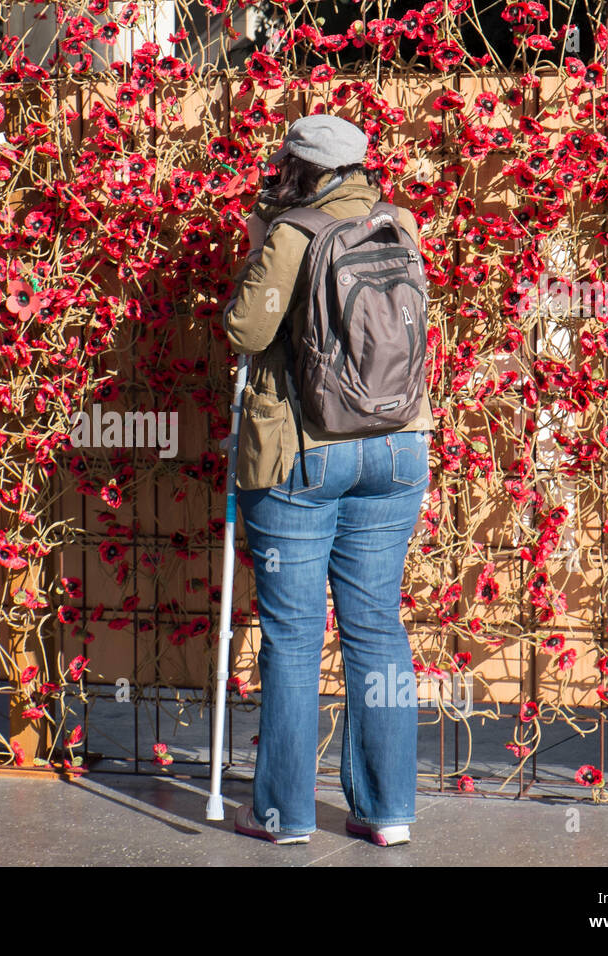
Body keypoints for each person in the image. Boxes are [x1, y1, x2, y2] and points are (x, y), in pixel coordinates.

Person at [221, 114, 434, 847]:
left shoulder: (293, 232)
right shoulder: (399, 223)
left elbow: (248, 331)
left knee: (293, 632)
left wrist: (259, 245)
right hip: (400, 445)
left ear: (298, 165)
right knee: (377, 626)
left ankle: (282, 814)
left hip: (305, 455)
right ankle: (388, 810)